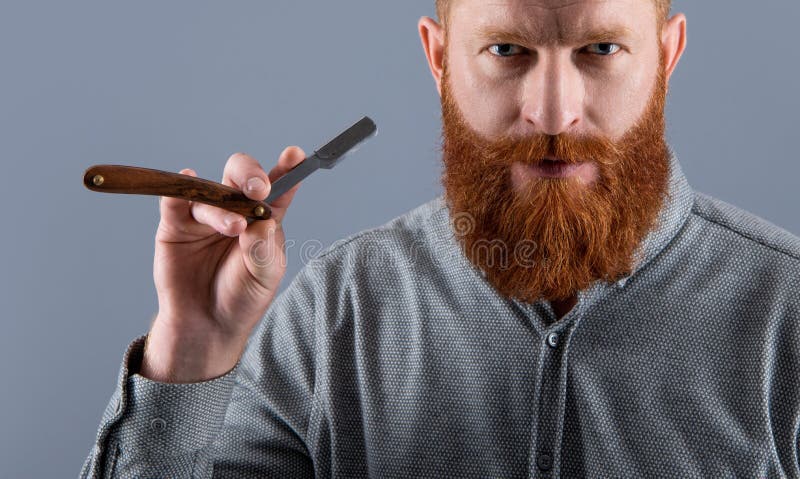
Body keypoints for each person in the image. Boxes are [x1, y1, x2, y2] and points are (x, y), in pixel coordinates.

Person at [82, 0, 800, 477]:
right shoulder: (332, 318)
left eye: (602, 48)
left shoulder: (788, 316)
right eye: (507, 49)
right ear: (440, 58)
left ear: (666, 58)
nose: (553, 111)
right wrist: (191, 350)